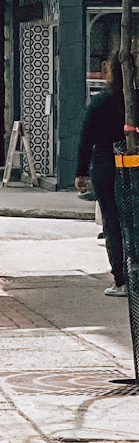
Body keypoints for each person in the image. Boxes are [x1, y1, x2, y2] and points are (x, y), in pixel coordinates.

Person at [78, 63, 129, 298]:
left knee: (112, 220)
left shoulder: (99, 102)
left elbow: (85, 137)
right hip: (132, 160)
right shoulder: (132, 101)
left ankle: (121, 278)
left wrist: (81, 172)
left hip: (105, 161)